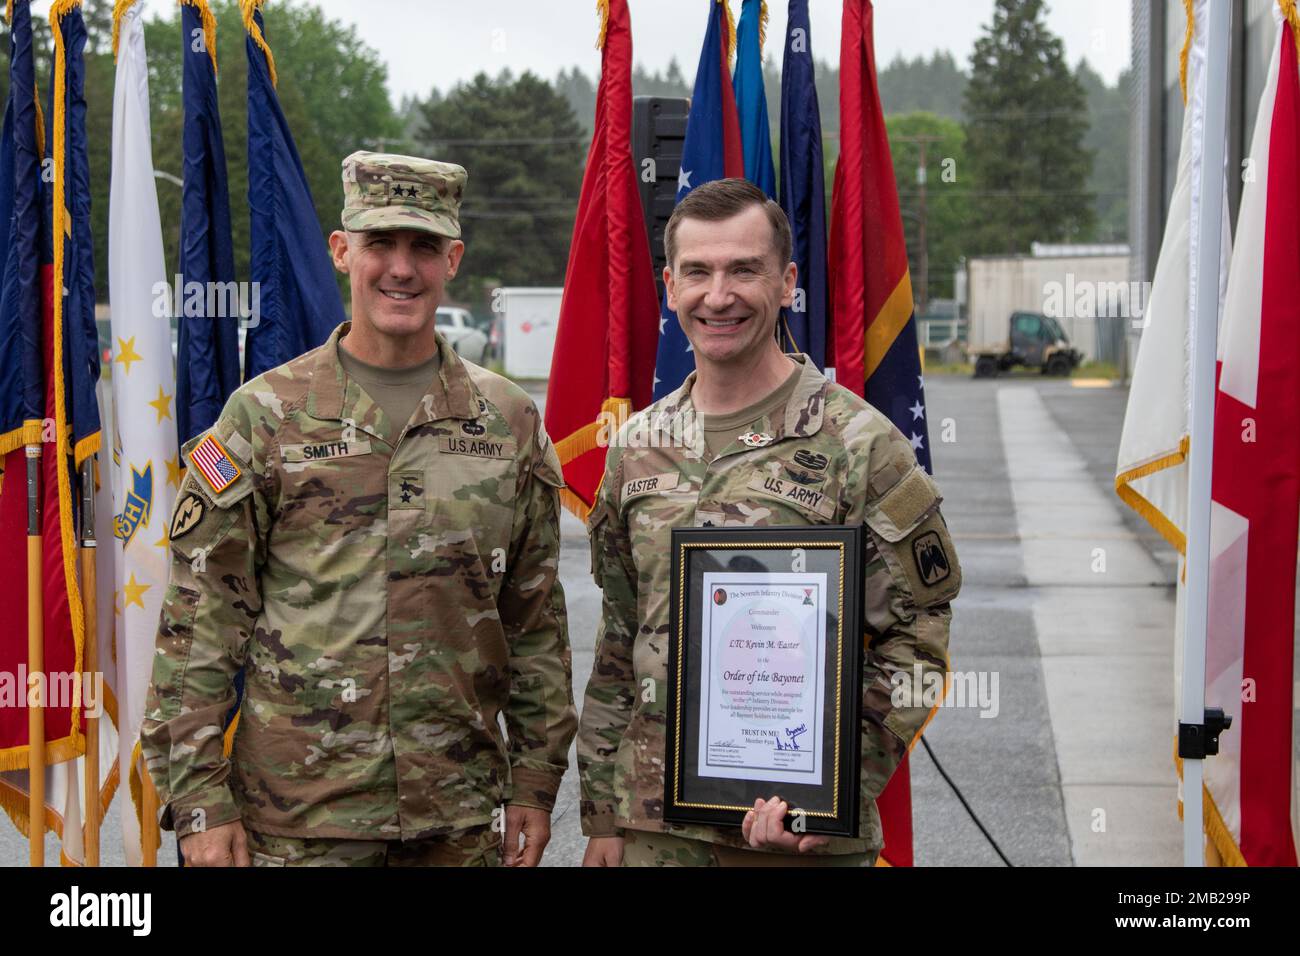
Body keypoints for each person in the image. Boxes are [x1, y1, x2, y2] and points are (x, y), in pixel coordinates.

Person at [142, 151, 576, 868]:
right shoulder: (264, 415)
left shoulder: (508, 421)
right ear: (344, 252)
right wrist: (199, 802)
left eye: (424, 247)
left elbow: (534, 622)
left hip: (458, 818)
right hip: (300, 822)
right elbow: (200, 623)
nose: (401, 268)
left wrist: (534, 781)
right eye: (381, 244)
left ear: (453, 260)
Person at [577, 178, 960, 867]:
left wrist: (836, 790)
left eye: (743, 270)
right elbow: (619, 636)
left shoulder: (861, 446)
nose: (718, 295)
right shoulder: (637, 446)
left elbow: (920, 646)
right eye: (697, 271)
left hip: (799, 841)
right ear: (670, 287)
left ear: (786, 283)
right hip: (653, 834)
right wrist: (603, 814)